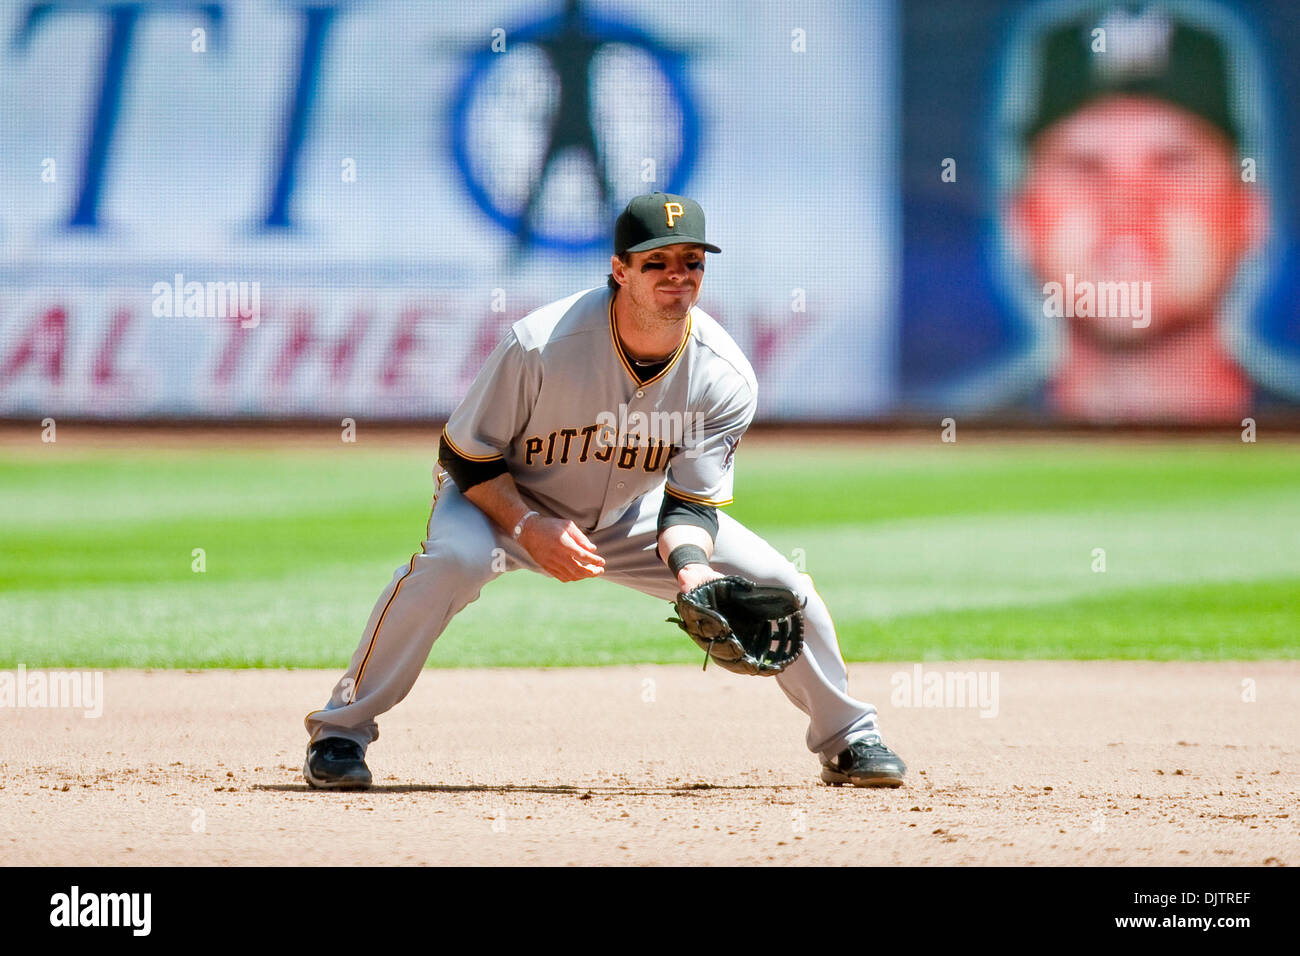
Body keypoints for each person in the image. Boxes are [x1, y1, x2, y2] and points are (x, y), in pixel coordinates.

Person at [302, 191, 906, 790]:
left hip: (627, 514)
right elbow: (464, 455)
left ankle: (848, 736)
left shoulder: (722, 374)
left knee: (780, 585)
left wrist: (693, 570)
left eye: (692, 262)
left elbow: (690, 504)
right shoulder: (541, 344)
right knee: (451, 562)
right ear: (619, 271)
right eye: (658, 263)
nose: (679, 276)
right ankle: (340, 733)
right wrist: (526, 526)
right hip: (501, 501)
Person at [1004, 0, 1268, 423]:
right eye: (1084, 166)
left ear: (1248, 214)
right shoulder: (936, 468)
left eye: (1174, 163)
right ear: (1021, 219)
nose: (1126, 202)